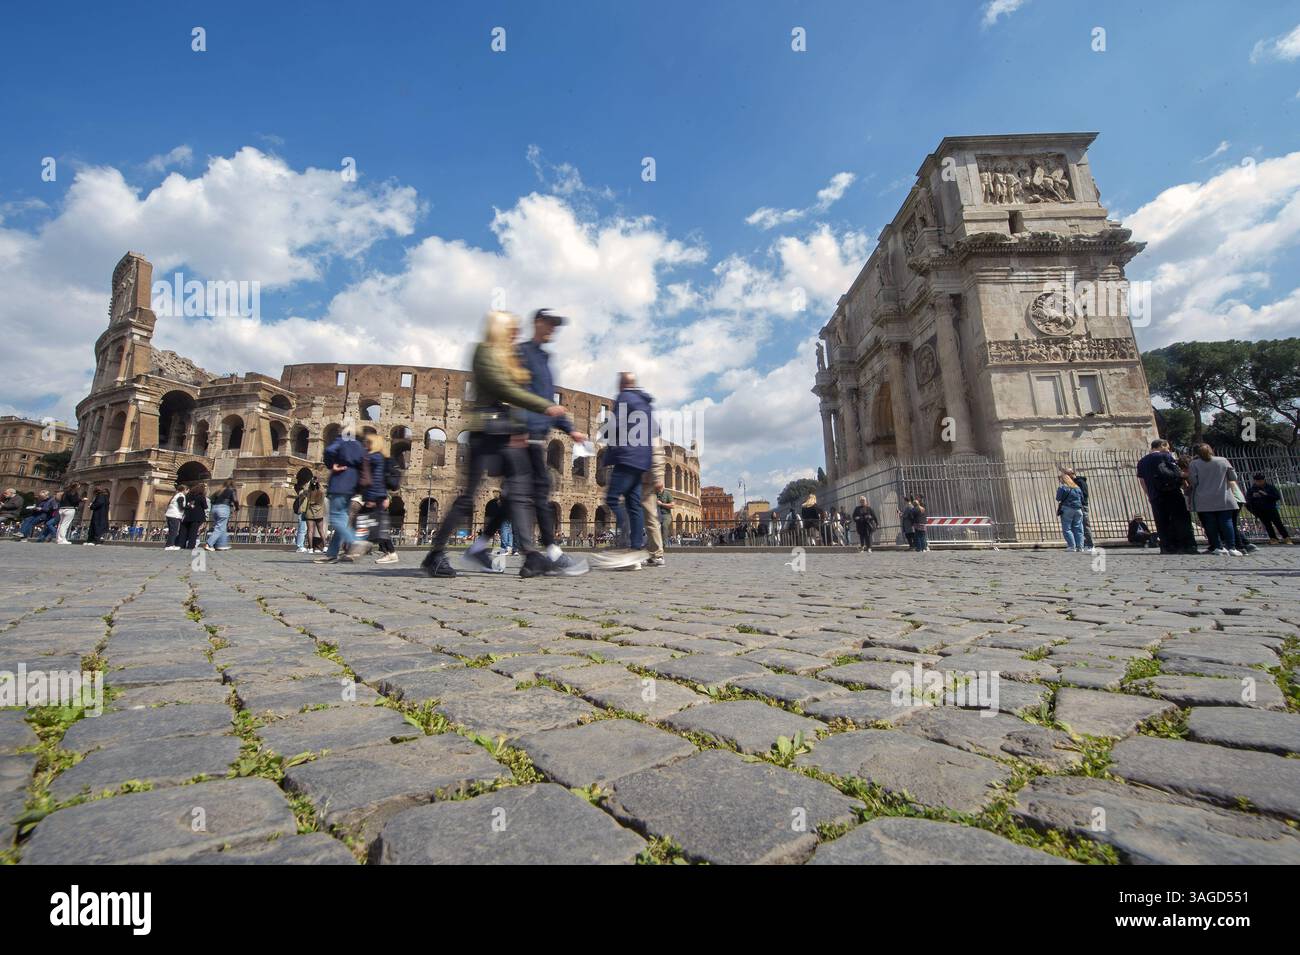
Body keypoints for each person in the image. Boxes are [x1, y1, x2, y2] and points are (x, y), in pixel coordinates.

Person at [421, 311, 570, 578]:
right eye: (511, 329)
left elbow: (515, 396)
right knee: (470, 497)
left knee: (519, 490)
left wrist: (522, 426)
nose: (516, 332)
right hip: (486, 430)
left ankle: (530, 555)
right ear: (499, 329)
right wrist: (545, 406)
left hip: (505, 432)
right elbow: (504, 390)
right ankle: (435, 554)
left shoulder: (507, 357)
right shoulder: (485, 352)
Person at [598, 371, 655, 569]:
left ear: (622, 384)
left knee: (612, 499)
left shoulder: (624, 397)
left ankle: (624, 543)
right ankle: (636, 552)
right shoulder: (645, 404)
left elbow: (615, 426)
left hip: (626, 456)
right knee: (634, 505)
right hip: (641, 461)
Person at [1136, 439, 1197, 555]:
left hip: (1155, 495)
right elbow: (1177, 473)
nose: (1168, 450)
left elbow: (1142, 481)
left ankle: (1167, 547)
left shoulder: (1142, 462)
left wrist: (1149, 494)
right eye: (1167, 447)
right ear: (1162, 446)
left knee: (1161, 522)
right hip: (1172, 492)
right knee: (1180, 519)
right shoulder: (1165, 456)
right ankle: (1187, 545)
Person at [316, 426, 367, 564]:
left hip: (340, 481)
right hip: (352, 484)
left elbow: (329, 450)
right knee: (342, 520)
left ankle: (355, 541)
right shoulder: (359, 446)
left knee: (336, 517)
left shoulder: (343, 440)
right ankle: (331, 554)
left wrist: (332, 465)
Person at [1188, 443, 1244, 556]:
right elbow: (1233, 477)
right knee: (1227, 522)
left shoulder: (1194, 463)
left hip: (1203, 498)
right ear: (1211, 450)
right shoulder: (1222, 460)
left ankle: (1217, 547)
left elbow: (1194, 481)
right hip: (1223, 495)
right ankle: (1232, 547)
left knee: (1210, 524)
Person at [358, 432, 397, 565]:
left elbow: (375, 479)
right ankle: (389, 552)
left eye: (367, 442)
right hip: (377, 495)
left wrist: (373, 498)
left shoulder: (374, 457)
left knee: (375, 526)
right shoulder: (379, 457)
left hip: (375, 496)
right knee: (375, 525)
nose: (364, 444)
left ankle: (390, 552)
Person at [641, 434, 667, 567]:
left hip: (646, 481)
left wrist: (658, 476)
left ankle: (657, 554)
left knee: (650, 518)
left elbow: (657, 452)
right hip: (638, 478)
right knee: (647, 519)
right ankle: (653, 554)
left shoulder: (648, 427)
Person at [1245, 473, 1293, 544]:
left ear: (1264, 480)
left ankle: (1286, 538)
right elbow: (1248, 499)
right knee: (1267, 525)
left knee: (1278, 523)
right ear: (1255, 481)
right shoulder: (1251, 489)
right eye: (1257, 481)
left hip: (1271, 508)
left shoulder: (1270, 487)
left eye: (1261, 481)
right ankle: (1273, 538)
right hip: (1260, 510)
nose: (1259, 482)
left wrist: (1266, 494)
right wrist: (1253, 497)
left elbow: (1277, 497)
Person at [1063, 468, 1094, 550]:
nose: (1065, 476)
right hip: (1077, 506)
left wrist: (1080, 503)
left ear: (1071, 474)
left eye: (1066, 474)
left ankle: (1090, 545)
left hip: (1082, 506)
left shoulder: (1080, 482)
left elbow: (1084, 495)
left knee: (1085, 525)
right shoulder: (1074, 483)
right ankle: (1081, 545)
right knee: (1078, 526)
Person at [205, 479, 239, 552]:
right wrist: (237, 508)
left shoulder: (219, 490)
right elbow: (235, 500)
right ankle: (209, 544)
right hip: (224, 508)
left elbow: (211, 499)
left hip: (215, 508)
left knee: (222, 527)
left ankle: (221, 545)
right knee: (220, 528)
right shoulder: (232, 490)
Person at [1057, 471, 1086, 552]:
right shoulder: (1077, 487)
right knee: (1079, 528)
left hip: (1067, 509)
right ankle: (1080, 547)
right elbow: (1082, 499)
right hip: (1078, 509)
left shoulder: (1063, 487)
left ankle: (1072, 546)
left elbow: (1058, 498)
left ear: (1063, 480)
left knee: (1067, 528)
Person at [303, 478, 327, 553]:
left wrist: (310, 483)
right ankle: (325, 546)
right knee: (321, 530)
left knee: (310, 531)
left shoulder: (308, 491)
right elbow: (323, 489)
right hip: (319, 513)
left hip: (310, 512)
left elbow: (304, 490)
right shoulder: (321, 492)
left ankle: (310, 548)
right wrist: (318, 483)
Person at [180, 483, 208, 550]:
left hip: (187, 515)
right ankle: (191, 546)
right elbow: (205, 506)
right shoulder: (201, 496)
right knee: (193, 532)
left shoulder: (188, 495)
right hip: (197, 516)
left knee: (184, 531)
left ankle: (181, 544)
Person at [164, 482, 186, 550]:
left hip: (169, 514)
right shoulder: (181, 496)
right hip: (175, 515)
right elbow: (181, 507)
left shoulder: (175, 495)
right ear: (184, 490)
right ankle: (169, 545)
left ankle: (170, 544)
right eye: (187, 490)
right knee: (174, 531)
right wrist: (189, 506)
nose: (187, 492)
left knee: (172, 531)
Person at [292, 480, 310, 553]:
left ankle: (303, 545)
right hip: (302, 512)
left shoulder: (309, 493)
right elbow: (304, 493)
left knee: (306, 530)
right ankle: (300, 546)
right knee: (302, 530)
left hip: (308, 512)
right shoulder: (302, 492)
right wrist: (308, 485)